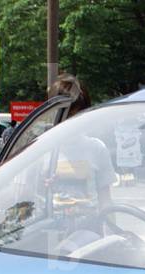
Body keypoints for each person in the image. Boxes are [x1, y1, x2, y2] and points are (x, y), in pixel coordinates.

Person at [46, 73, 116, 209]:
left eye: (76, 115)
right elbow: (28, 197)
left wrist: (112, 229)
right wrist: (42, 188)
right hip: (50, 228)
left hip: (89, 228)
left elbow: (106, 200)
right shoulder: (40, 151)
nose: (71, 122)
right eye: (65, 115)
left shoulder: (96, 148)